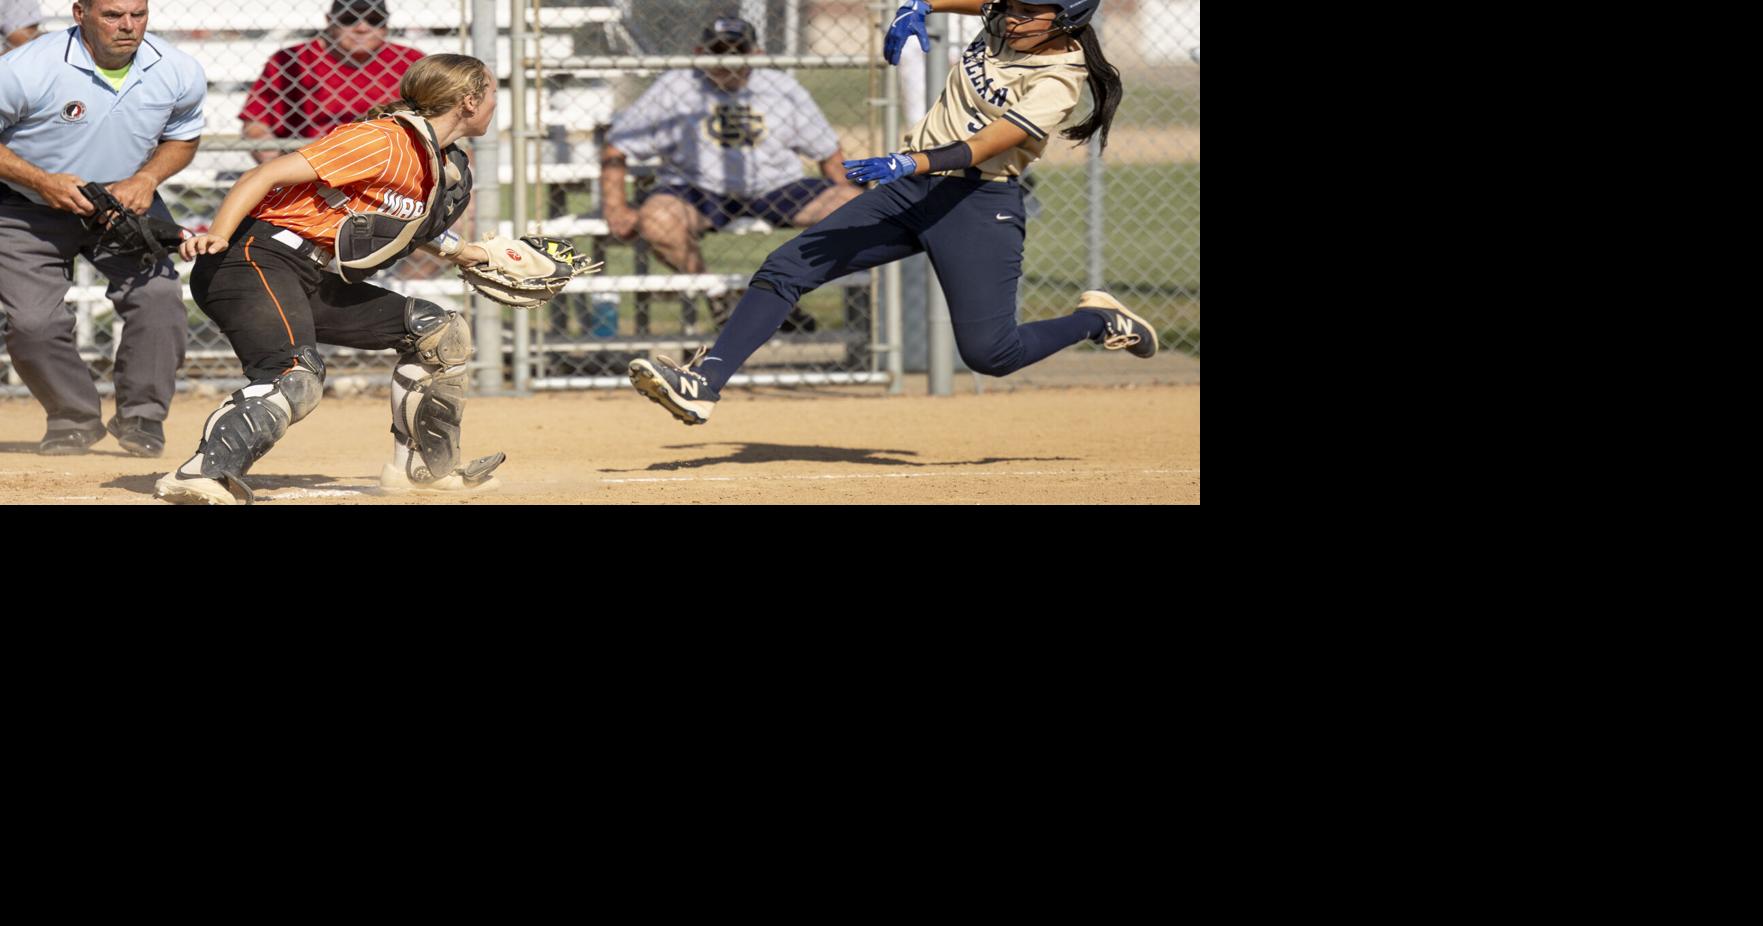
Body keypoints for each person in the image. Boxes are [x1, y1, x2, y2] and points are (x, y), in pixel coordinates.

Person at [628, 0, 1147, 426]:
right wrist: (919, 5)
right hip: (913, 190)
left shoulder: (1059, 77)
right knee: (785, 268)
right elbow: (979, 1)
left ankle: (1096, 319)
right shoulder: (1012, 19)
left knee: (992, 355)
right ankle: (704, 383)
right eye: (1010, 5)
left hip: (977, 202)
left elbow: (987, 143)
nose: (1011, 17)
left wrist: (908, 160)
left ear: (1066, 18)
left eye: (1027, 10)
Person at [153, 53, 506, 505]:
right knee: (295, 375)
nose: (497, 103)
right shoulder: (384, 140)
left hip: (309, 271)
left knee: (439, 333)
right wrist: (219, 235)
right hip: (254, 258)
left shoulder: (436, 163)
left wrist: (474, 255)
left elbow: (412, 229)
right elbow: (264, 174)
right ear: (469, 100)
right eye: (493, 92)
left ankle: (422, 469)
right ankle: (203, 473)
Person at [0, 0, 205, 456]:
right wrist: (40, 180)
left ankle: (142, 419)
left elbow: (183, 138)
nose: (128, 26)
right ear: (80, 14)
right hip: (25, 205)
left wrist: (147, 178)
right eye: (112, 15)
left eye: (138, 14)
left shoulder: (177, 68)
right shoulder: (24, 68)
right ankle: (72, 417)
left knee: (159, 299)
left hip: (122, 204)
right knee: (34, 322)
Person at [600, 15, 861, 331]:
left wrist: (849, 192)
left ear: (757, 55)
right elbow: (617, 147)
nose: (729, 61)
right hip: (697, 189)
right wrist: (616, 208)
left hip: (777, 186)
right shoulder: (676, 86)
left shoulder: (781, 87)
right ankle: (719, 293)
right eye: (719, 51)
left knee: (855, 209)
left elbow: (829, 153)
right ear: (699, 53)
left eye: (738, 52)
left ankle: (778, 293)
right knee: (656, 220)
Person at [239, 0, 424, 165]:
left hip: (391, 163)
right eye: (349, 19)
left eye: (374, 20)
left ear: (386, 24)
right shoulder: (293, 60)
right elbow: (255, 123)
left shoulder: (409, 60)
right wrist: (277, 166)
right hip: (311, 165)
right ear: (330, 20)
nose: (362, 27)